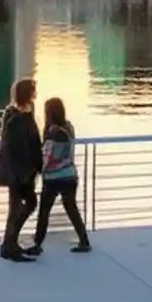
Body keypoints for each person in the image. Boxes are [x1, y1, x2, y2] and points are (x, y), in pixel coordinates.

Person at [26, 97, 90, 255]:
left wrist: (37, 170)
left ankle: (37, 244)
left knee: (44, 211)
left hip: (53, 177)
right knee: (71, 208)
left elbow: (47, 156)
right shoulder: (69, 127)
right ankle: (84, 240)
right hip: (70, 174)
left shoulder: (52, 132)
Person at [0, 78, 43, 262]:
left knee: (23, 205)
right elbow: (16, 147)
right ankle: (9, 245)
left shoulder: (24, 113)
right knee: (19, 206)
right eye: (33, 90)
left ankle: (10, 242)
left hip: (24, 170)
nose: (35, 93)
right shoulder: (15, 117)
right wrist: (28, 169)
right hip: (18, 171)